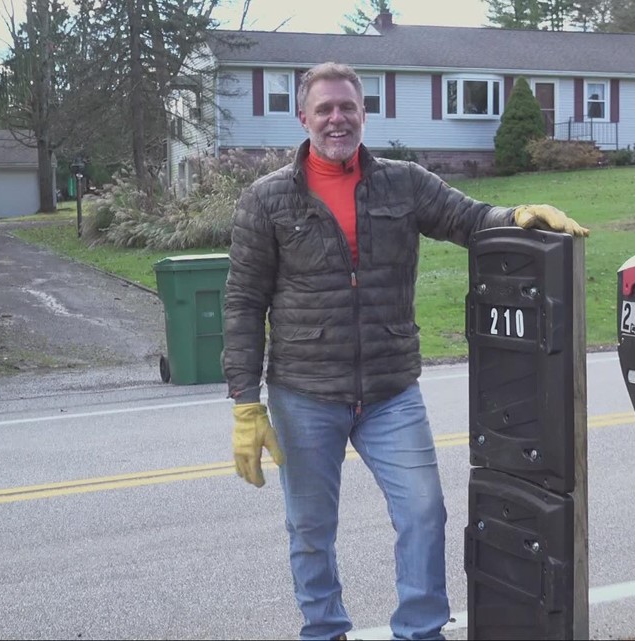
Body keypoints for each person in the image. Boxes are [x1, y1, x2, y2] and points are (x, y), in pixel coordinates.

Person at [223, 61, 589, 641]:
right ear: (302, 117)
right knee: (311, 527)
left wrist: (516, 217)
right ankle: (324, 630)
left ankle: (420, 631)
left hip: (391, 391)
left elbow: (469, 218)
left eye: (347, 107)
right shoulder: (266, 200)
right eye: (324, 109)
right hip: (305, 393)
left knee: (423, 513)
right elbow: (243, 302)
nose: (336, 118)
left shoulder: (404, 182)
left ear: (363, 114)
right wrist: (246, 402)